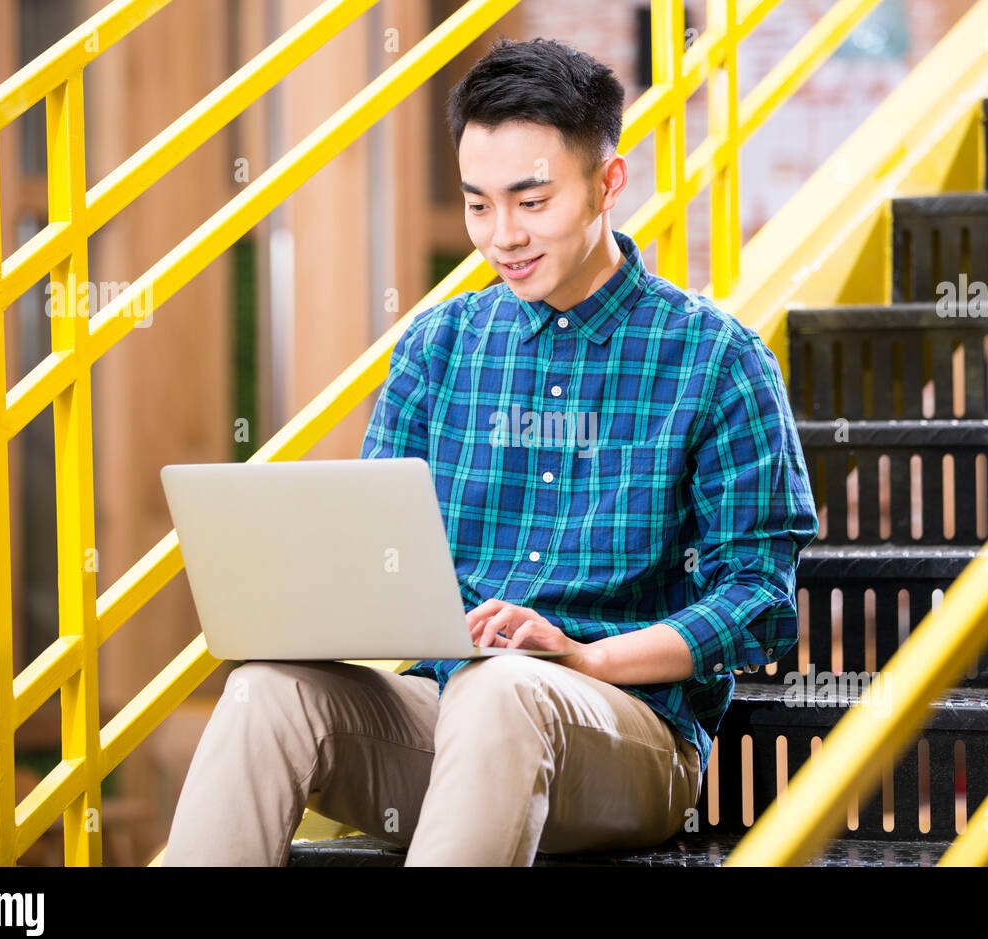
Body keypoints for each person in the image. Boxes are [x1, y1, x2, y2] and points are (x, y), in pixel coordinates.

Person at [163, 36, 817, 867]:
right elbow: (380, 554)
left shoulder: (718, 359)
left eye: (530, 202)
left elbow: (758, 602)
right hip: (456, 719)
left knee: (503, 688)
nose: (502, 236)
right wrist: (315, 606)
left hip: (629, 737)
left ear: (607, 184)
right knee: (269, 690)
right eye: (478, 204)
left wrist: (584, 655)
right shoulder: (438, 347)